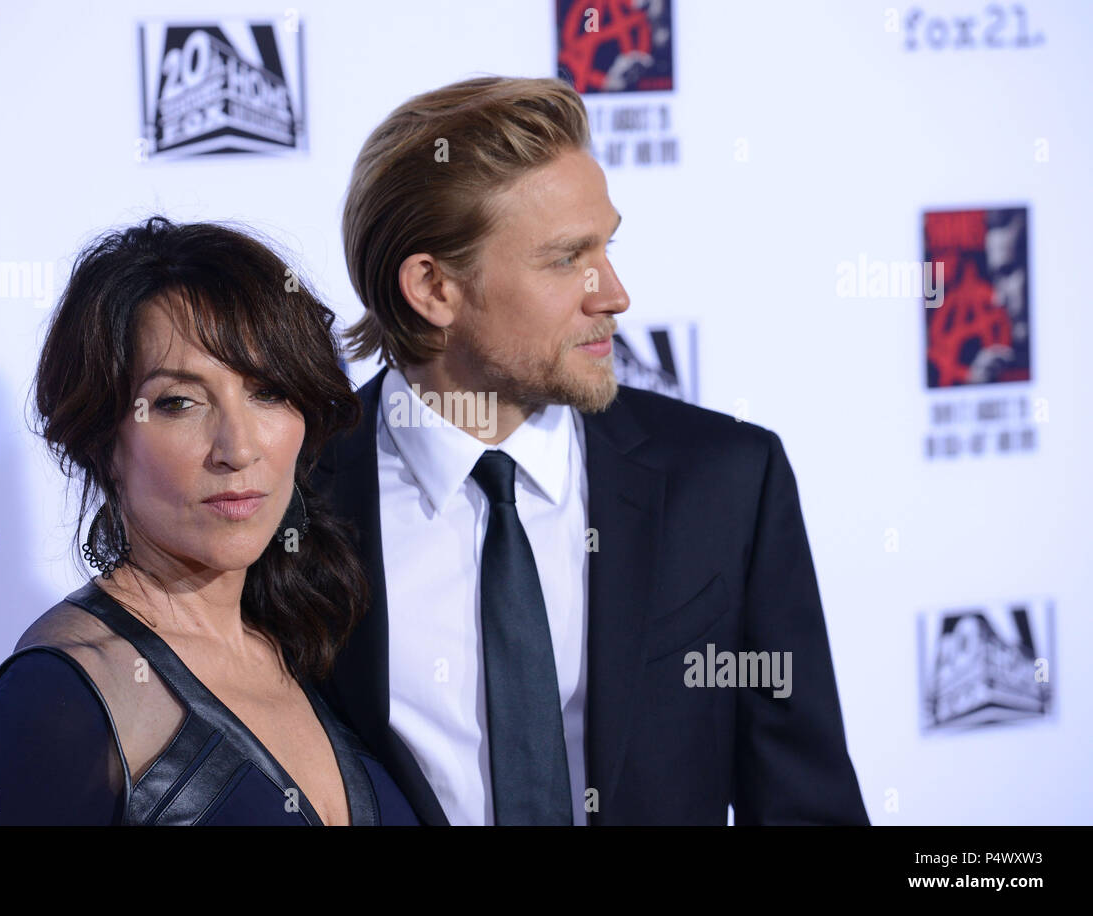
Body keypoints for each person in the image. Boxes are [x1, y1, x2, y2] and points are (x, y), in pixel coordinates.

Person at [312, 76, 869, 825]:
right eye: (567, 258)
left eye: (607, 245)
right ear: (434, 288)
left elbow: (807, 807)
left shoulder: (726, 481)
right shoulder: (291, 496)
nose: (613, 292)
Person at [0, 218, 418, 825]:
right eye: (178, 402)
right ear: (104, 440)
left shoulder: (308, 640)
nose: (238, 449)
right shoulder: (60, 697)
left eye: (267, 392)